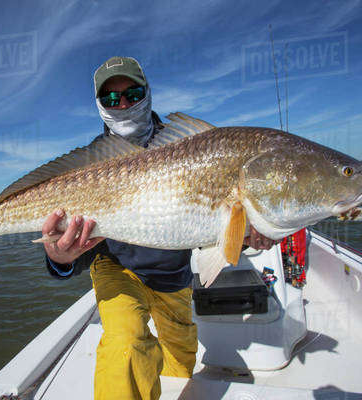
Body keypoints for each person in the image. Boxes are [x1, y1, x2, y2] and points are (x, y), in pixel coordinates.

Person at [42, 56, 277, 400]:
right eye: (110, 99)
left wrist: (245, 236)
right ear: (99, 106)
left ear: (148, 94)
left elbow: (208, 227)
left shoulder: (189, 144)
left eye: (132, 93)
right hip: (116, 269)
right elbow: (68, 247)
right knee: (125, 348)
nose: (122, 104)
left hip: (172, 274)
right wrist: (59, 258)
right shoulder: (91, 162)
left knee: (181, 367)